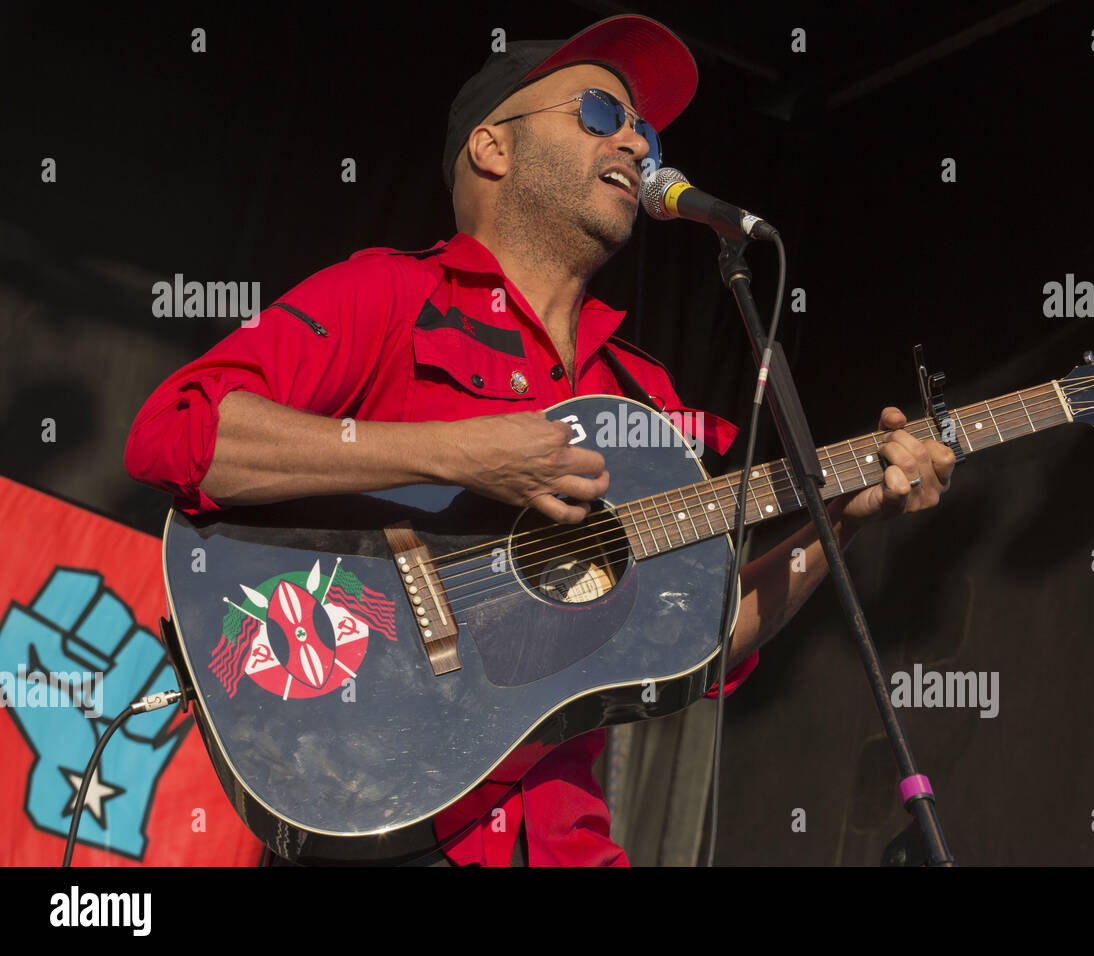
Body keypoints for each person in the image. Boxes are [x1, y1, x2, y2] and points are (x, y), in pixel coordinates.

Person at [123, 14, 956, 866]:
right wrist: (457, 454)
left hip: (563, 843)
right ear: (493, 148)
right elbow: (178, 434)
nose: (636, 139)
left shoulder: (643, 395)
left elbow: (699, 645)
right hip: (384, 816)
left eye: (645, 127)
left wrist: (842, 522)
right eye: (600, 112)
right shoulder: (390, 294)